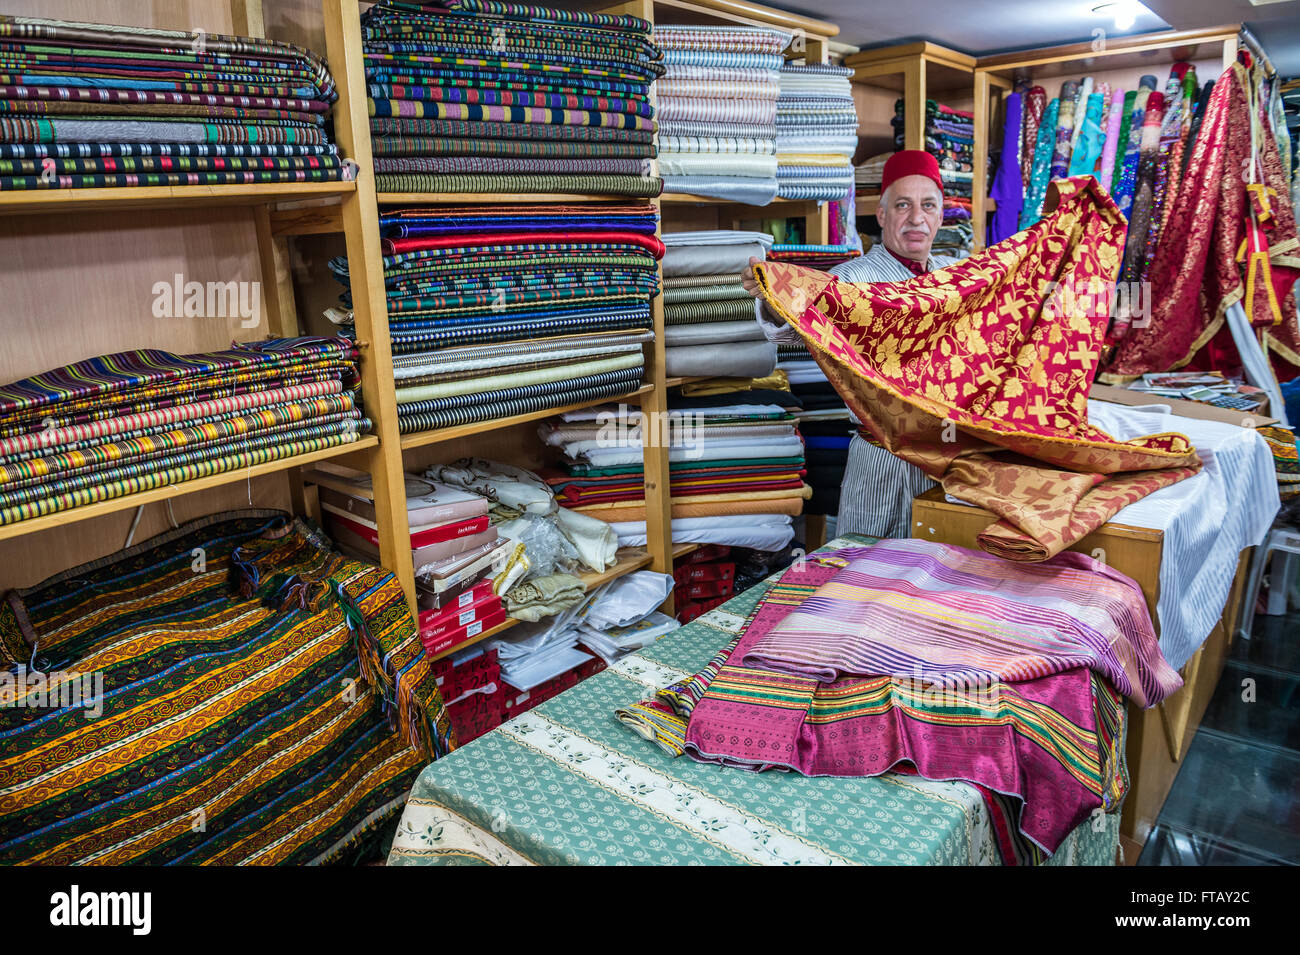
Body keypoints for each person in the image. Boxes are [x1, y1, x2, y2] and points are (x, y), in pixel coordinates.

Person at [742, 150, 957, 539]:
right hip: (879, 461)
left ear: (941, 216)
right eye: (903, 205)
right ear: (882, 215)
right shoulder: (851, 280)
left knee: (938, 577)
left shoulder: (954, 279)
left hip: (947, 461)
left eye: (928, 206)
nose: (916, 218)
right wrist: (774, 298)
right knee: (865, 576)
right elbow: (793, 330)